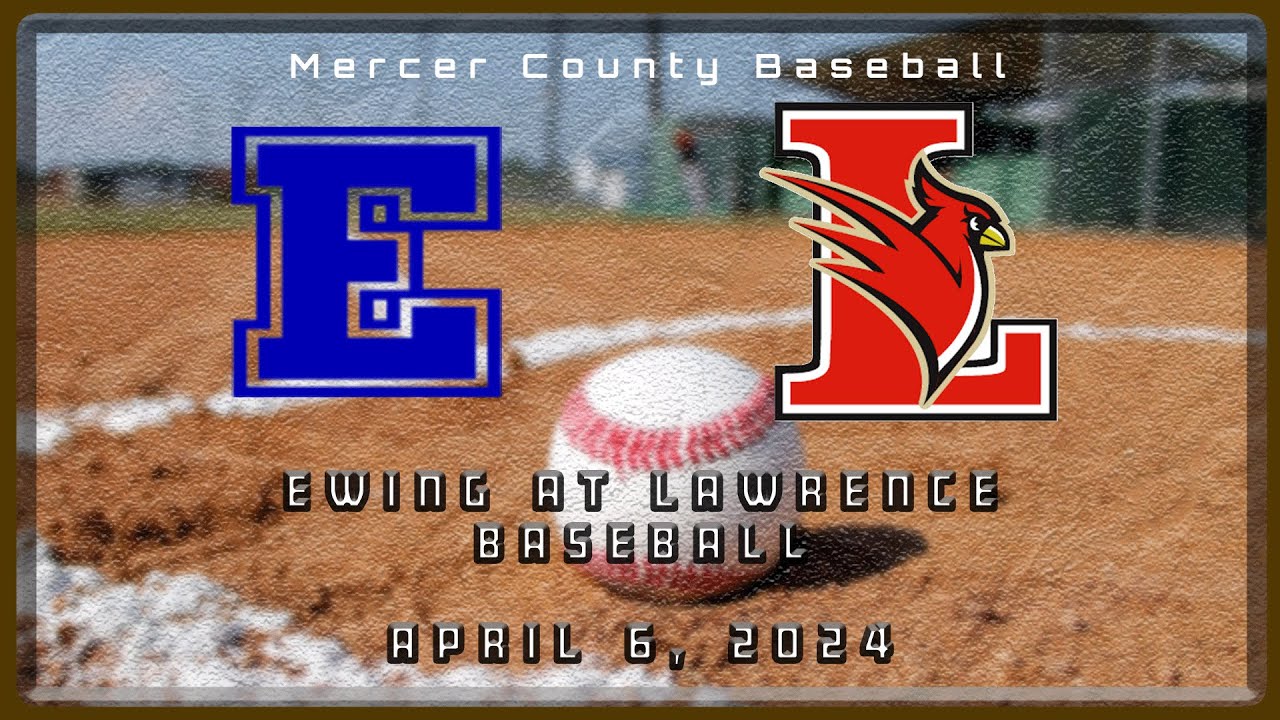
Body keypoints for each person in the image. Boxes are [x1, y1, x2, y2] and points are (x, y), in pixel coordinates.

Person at [673, 127, 709, 215]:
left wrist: (684, 139)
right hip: (687, 166)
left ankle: (701, 211)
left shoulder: (691, 144)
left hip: (694, 166)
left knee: (697, 188)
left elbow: (688, 145)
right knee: (691, 188)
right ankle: (698, 211)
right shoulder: (685, 146)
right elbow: (678, 145)